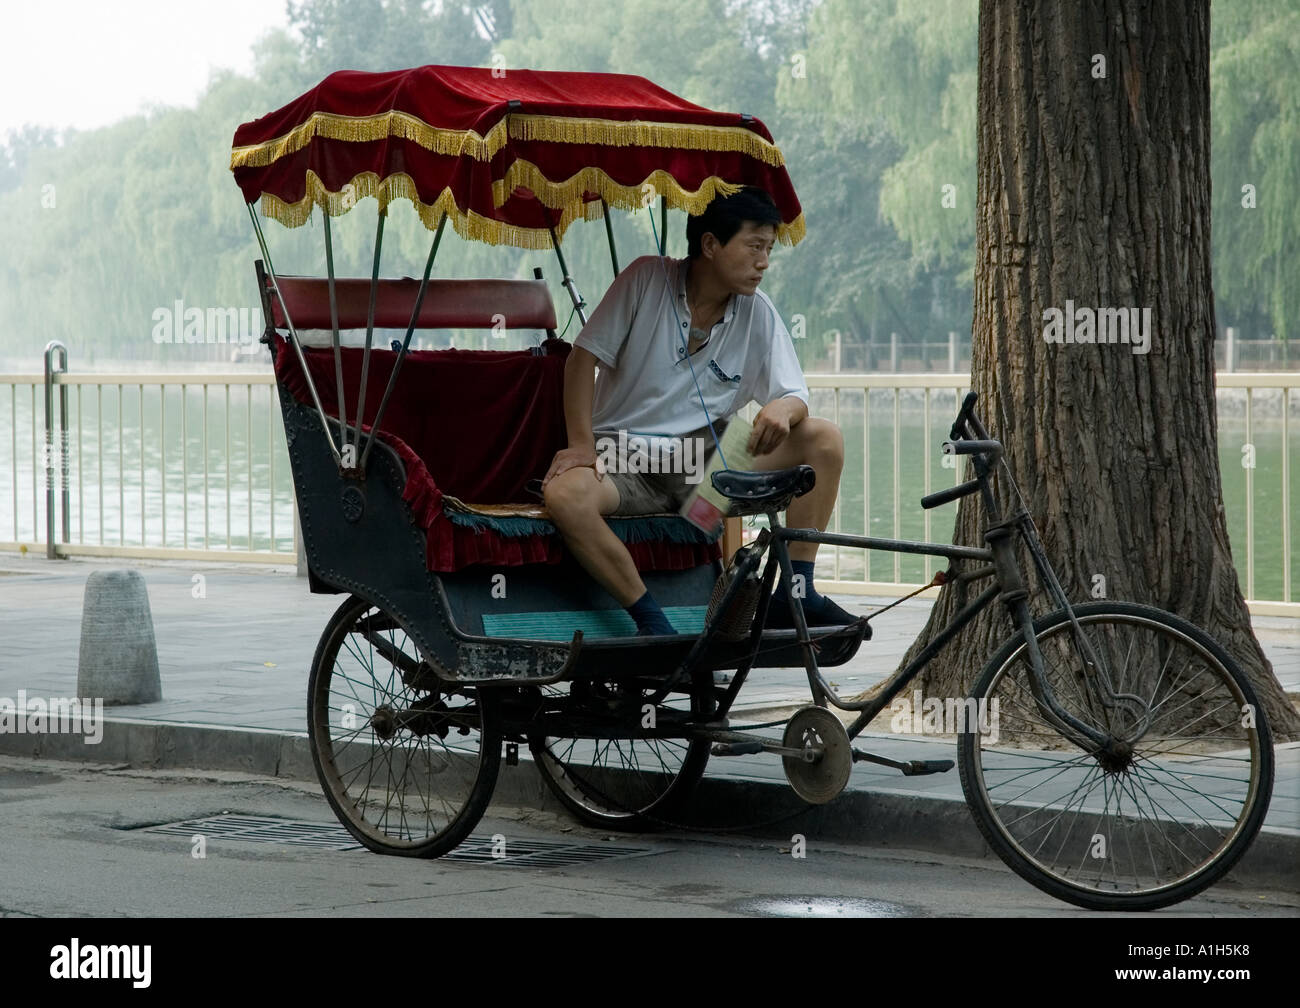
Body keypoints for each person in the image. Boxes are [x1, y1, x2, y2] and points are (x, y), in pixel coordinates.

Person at [541, 187, 853, 635]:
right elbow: (581, 359)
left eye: (768, 249)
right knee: (565, 496)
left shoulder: (758, 310)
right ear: (710, 245)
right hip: (625, 461)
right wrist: (580, 445)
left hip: (707, 478)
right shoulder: (646, 279)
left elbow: (794, 395)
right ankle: (652, 622)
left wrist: (783, 409)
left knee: (824, 439)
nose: (764, 261)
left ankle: (794, 593)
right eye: (754, 246)